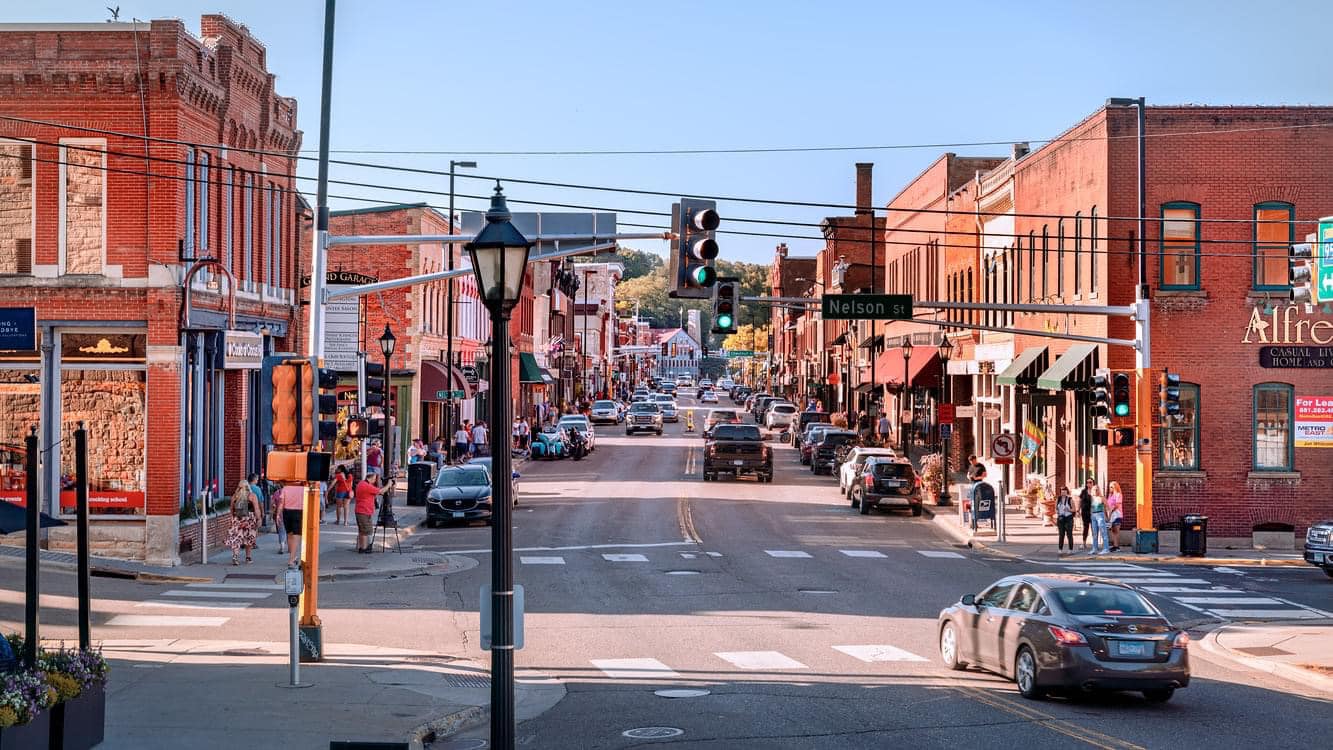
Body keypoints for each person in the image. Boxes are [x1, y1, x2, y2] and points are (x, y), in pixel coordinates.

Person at [353, 472, 393, 553]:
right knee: (365, 531)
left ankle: (360, 547)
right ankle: (364, 548)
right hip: (363, 511)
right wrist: (388, 485)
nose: (375, 481)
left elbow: (377, 490)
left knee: (362, 530)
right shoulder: (366, 486)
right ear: (370, 478)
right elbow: (381, 491)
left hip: (362, 510)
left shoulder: (362, 483)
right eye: (374, 479)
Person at [226, 479, 259, 565]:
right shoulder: (252, 496)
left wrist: (232, 520)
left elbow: (231, 510)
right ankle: (248, 557)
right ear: (248, 487)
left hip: (237, 519)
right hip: (249, 520)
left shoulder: (235, 496)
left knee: (236, 538)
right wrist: (259, 519)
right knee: (249, 538)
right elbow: (256, 509)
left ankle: (235, 556)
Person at [279, 482, 306, 568]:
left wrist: (278, 514)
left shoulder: (285, 488)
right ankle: (291, 559)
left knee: (290, 535)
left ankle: (293, 556)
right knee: (296, 536)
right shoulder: (304, 489)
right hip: (299, 512)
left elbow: (281, 503)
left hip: (286, 512)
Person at [970, 465, 996, 533]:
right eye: (970, 461)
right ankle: (974, 524)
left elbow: (985, 475)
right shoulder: (971, 467)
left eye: (972, 461)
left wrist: (976, 478)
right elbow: (968, 474)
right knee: (973, 505)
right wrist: (970, 477)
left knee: (978, 504)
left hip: (980, 487)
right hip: (973, 486)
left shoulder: (981, 467)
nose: (971, 462)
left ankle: (977, 522)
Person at [1089, 483, 1110, 555]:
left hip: (1100, 515)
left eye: (1097, 489)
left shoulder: (1102, 498)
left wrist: (1108, 517)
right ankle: (1094, 548)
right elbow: (1091, 508)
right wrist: (1091, 515)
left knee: (1103, 532)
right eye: (1094, 489)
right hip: (1093, 516)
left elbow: (1107, 507)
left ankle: (1106, 548)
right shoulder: (1092, 498)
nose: (1095, 491)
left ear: (1099, 490)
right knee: (1094, 533)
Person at [1055, 485, 1075, 554]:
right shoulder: (1058, 499)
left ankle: (1070, 549)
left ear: (1067, 492)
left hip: (1068, 518)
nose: (1063, 493)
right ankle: (1060, 549)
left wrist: (1068, 509)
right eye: (1062, 491)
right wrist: (1057, 512)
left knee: (1069, 534)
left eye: (1064, 491)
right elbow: (1056, 508)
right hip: (1061, 518)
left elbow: (1074, 509)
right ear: (1060, 492)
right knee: (1061, 534)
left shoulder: (1070, 499)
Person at [1106, 480, 1124, 552]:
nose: (1110, 488)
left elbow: (1117, 505)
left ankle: (1117, 546)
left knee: (1116, 530)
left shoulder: (1119, 495)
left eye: (1112, 487)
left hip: (1117, 514)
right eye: (1110, 487)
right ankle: (1114, 545)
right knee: (1113, 530)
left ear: (1115, 487)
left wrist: (1111, 510)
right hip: (1111, 515)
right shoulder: (1110, 495)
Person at [1079, 478, 1095, 551]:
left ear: (1093, 483)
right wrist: (1078, 509)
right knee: (1086, 527)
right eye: (1087, 482)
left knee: (1093, 527)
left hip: (1093, 512)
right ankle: (1084, 543)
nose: (1089, 483)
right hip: (1085, 512)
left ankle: (1094, 543)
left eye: (1090, 482)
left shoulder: (1095, 491)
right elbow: (1080, 501)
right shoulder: (1083, 491)